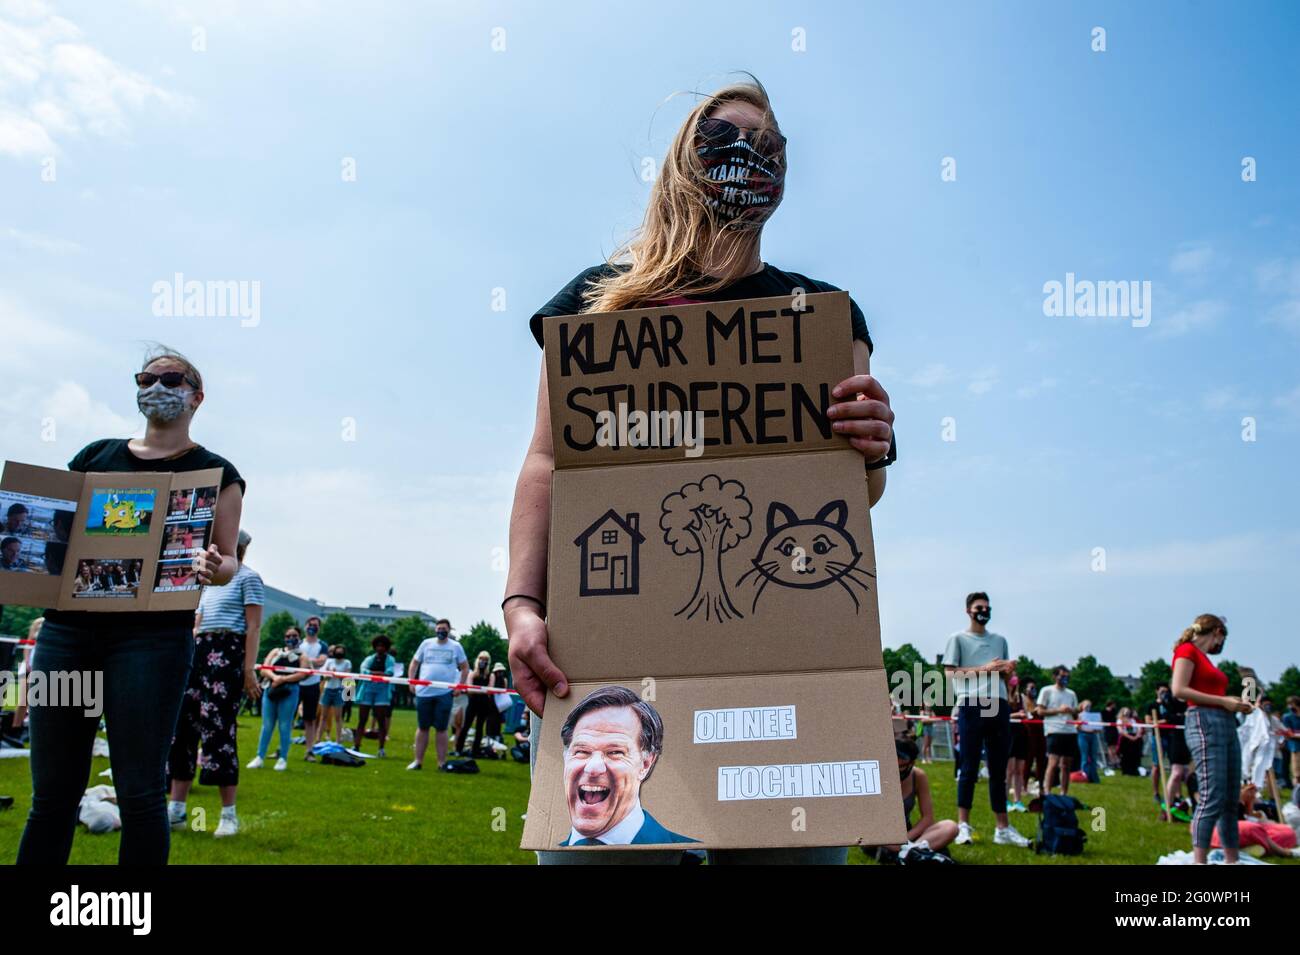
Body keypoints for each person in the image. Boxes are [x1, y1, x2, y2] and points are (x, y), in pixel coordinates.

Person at [505, 79, 897, 865]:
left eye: (771, 145)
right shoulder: (596, 304)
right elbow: (547, 465)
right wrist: (521, 605)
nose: (751, 155)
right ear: (683, 157)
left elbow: (853, 496)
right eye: (727, 137)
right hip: (608, 658)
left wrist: (872, 442)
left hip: (782, 667)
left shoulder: (821, 311)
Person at [15, 346, 244, 866]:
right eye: (148, 377)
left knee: (141, 795)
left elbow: (229, 558)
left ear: (197, 395)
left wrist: (215, 566)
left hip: (152, 641)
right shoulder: (95, 456)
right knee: (51, 796)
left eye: (172, 378)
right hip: (67, 634)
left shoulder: (216, 472)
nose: (158, 386)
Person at [166, 529, 264, 838]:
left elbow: (254, 626)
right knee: (183, 728)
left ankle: (228, 814)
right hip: (200, 652)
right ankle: (177, 808)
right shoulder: (207, 580)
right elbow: (198, 621)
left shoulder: (248, 578)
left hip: (228, 653)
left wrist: (249, 670)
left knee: (219, 729)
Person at [556, 686, 698, 846]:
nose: (593, 768)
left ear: (646, 764)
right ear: (566, 757)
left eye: (615, 752)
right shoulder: (548, 850)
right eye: (582, 751)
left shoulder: (687, 850)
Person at [943, 592, 1029, 848]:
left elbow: (1002, 679)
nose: (984, 611)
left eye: (987, 607)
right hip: (971, 703)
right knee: (968, 768)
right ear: (968, 610)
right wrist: (985, 669)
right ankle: (963, 825)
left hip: (998, 704)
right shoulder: (957, 639)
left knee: (998, 769)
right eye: (979, 607)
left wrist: (1007, 672)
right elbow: (950, 675)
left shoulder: (1000, 641)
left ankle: (1002, 827)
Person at [1171, 613, 1251, 865]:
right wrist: (1223, 701)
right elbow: (1179, 690)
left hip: (1224, 722)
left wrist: (1234, 704)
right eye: (1222, 638)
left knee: (1229, 797)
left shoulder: (1205, 658)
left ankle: (1231, 859)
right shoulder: (1187, 651)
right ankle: (1200, 861)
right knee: (1212, 795)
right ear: (1217, 631)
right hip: (1204, 722)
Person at [872, 737, 958, 864]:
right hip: (880, 835)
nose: (896, 770)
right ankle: (918, 853)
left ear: (912, 763)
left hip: (907, 834)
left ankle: (910, 853)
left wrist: (905, 839)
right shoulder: (875, 775)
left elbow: (927, 818)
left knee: (951, 827)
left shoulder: (918, 776)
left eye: (901, 766)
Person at [408, 619, 468, 770]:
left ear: (449, 631)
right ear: (435, 629)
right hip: (424, 692)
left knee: (442, 728)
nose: (441, 631)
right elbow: (414, 663)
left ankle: (441, 763)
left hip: (445, 693)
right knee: (423, 727)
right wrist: (411, 682)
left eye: (444, 629)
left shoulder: (456, 646)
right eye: (439, 628)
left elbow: (465, 667)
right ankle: (417, 761)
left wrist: (460, 686)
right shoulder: (426, 644)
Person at [249, 627, 308, 771]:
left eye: (294, 635)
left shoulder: (302, 656)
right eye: (288, 635)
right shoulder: (276, 652)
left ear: (299, 637)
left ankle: (282, 758)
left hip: (290, 691)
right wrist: (275, 678)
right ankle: (259, 757)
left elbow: (302, 674)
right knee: (267, 725)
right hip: (271, 689)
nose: (290, 638)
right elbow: (264, 668)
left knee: (284, 725)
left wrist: (284, 679)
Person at [1214, 783, 1300, 858]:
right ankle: (1285, 852)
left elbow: (1248, 814)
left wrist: (1249, 800)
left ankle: (1251, 848)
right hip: (1225, 829)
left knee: (1288, 832)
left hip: (1244, 829)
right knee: (1252, 827)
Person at [1036, 665, 1079, 796]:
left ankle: (1063, 793)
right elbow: (1040, 711)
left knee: (1066, 765)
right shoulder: (1047, 690)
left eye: (1067, 676)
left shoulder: (1071, 693)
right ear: (1055, 676)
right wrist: (1059, 710)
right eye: (1062, 676)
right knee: (1053, 763)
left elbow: (1076, 713)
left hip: (1070, 731)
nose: (1065, 678)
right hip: (1054, 730)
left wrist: (1073, 710)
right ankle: (1047, 792)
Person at [354, 634, 398, 756]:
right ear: (374, 647)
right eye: (378, 645)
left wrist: (373, 674)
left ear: (386, 647)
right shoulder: (369, 659)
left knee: (381, 721)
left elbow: (389, 673)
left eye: (383, 646)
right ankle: (357, 745)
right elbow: (363, 670)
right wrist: (379, 674)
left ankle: (381, 748)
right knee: (362, 719)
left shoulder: (390, 659)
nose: (380, 648)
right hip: (367, 689)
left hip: (382, 691)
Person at [1154, 682, 1192, 814]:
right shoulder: (1169, 700)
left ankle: (1193, 803)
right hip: (1175, 738)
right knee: (1176, 773)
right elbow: (1168, 718)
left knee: (1189, 775)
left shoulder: (1191, 699)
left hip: (1190, 738)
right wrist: (1182, 717)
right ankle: (1167, 807)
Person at [456, 651, 497, 758]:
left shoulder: (490, 675)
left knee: (479, 728)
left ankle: (475, 751)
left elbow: (490, 690)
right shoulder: (472, 673)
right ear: (477, 660)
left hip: (484, 705)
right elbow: (469, 689)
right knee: (466, 726)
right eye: (481, 659)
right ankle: (458, 749)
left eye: (485, 660)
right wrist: (482, 690)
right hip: (473, 703)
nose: (483, 661)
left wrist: (478, 690)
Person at [297, 616, 327, 762]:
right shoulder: (298, 643)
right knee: (287, 718)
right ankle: (281, 749)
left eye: (315, 625)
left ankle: (309, 751)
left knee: (310, 719)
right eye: (310, 624)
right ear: (305, 626)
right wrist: (310, 663)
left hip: (313, 685)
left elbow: (321, 662)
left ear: (319, 628)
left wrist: (305, 661)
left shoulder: (322, 645)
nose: (312, 627)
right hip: (295, 683)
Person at [320, 645, 352, 744]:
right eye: (337, 651)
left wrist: (338, 675)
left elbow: (347, 678)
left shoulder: (347, 662)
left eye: (341, 651)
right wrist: (330, 674)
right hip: (328, 689)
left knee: (338, 717)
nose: (339, 653)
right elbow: (324, 677)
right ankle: (318, 739)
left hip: (339, 690)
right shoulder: (329, 661)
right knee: (323, 716)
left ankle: (338, 740)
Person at [1005, 677, 1028, 812]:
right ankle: (1005, 800)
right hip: (1008, 733)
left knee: (1020, 770)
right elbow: (1000, 716)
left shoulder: (1021, 697)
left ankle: (1018, 800)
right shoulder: (1002, 695)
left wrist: (1024, 715)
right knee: (1009, 770)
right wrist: (1016, 715)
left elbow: (1025, 712)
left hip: (1021, 733)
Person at [1021, 679, 1047, 795]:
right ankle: (1024, 786)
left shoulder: (1038, 702)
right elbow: (1026, 714)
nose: (1034, 690)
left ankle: (1041, 786)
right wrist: (1033, 711)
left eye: (1035, 688)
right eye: (1031, 688)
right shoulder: (1023, 700)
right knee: (1028, 761)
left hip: (1040, 733)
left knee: (1041, 761)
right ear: (1025, 690)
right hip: (1028, 734)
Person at [1077, 700, 1103, 783]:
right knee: (1084, 757)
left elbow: (1099, 728)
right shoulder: (1079, 715)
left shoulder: (1094, 716)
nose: (1088, 707)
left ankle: (1094, 777)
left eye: (1089, 706)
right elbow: (1076, 727)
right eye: (1086, 705)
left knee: (1093, 757)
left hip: (1093, 735)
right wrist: (1079, 723)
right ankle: (1085, 777)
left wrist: (1098, 726)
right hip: (1083, 735)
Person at [1117, 707, 1145, 776]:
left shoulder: (1132, 720)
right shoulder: (1119, 720)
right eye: (1125, 711)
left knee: (1134, 755)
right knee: (1126, 756)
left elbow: (1139, 728)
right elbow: (1121, 731)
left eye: (1128, 711)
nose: (1127, 712)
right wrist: (1130, 737)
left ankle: (1134, 771)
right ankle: (1126, 771)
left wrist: (1136, 736)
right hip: (1125, 739)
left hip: (1134, 738)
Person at [1284, 696, 1300, 791]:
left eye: (1291, 704)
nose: (1289, 706)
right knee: (1297, 773)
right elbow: (1289, 733)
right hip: (1296, 747)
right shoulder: (1287, 717)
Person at [1101, 699, 1120, 770]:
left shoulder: (1114, 711)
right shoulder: (1103, 712)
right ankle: (1112, 762)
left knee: (1114, 747)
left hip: (1114, 730)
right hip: (1108, 730)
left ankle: (1116, 761)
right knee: (1110, 747)